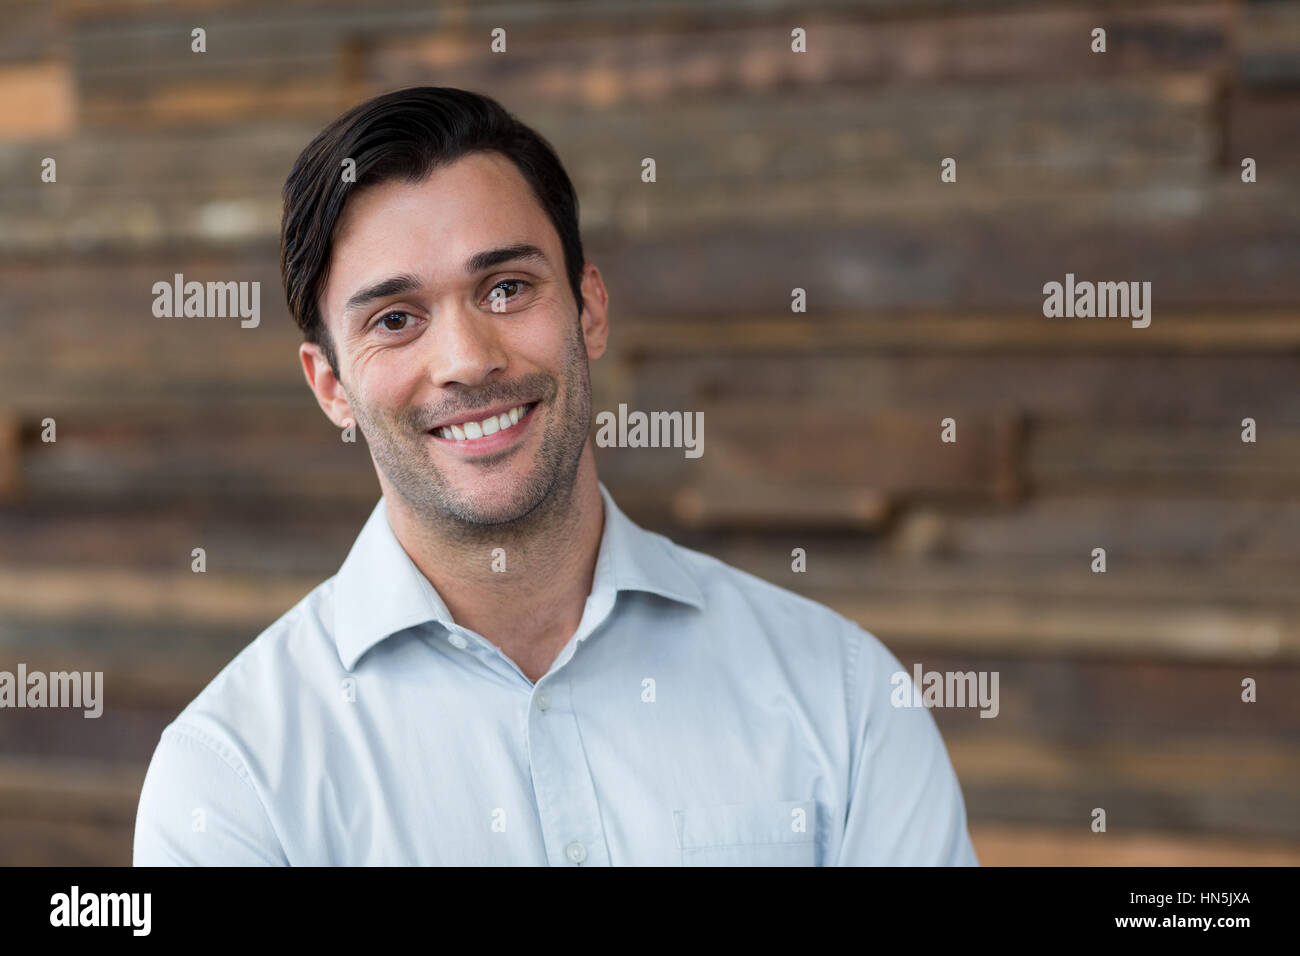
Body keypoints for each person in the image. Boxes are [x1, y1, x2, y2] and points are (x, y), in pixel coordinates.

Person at [133, 87, 978, 866]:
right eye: (396, 319)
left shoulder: (841, 694)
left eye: (506, 289)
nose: (467, 360)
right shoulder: (230, 780)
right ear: (331, 387)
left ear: (590, 308)